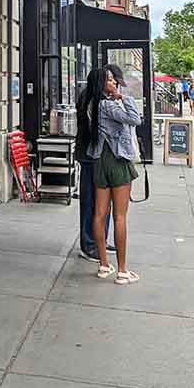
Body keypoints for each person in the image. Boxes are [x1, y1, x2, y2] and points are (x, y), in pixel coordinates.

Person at [86, 67, 142, 284]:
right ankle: (122, 270)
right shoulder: (108, 105)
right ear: (101, 84)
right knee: (120, 216)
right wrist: (124, 98)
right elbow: (135, 119)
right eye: (109, 80)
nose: (114, 83)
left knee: (99, 214)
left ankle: (103, 265)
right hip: (116, 161)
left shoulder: (92, 104)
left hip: (99, 160)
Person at [75, 72, 113, 262]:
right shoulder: (93, 101)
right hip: (91, 157)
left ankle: (100, 240)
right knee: (91, 202)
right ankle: (90, 244)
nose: (113, 83)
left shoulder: (97, 99)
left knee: (102, 203)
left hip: (95, 157)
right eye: (109, 79)